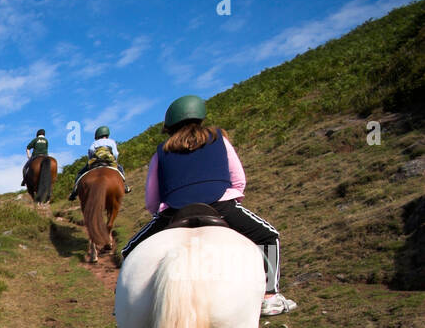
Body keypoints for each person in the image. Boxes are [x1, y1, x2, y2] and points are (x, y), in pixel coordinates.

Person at [121, 95, 295, 316]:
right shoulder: (219, 139)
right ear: (201, 117)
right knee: (269, 236)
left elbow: (152, 199)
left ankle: (125, 309)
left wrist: (161, 213)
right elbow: (239, 179)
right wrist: (230, 202)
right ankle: (270, 296)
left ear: (170, 126)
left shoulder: (161, 151)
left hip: (174, 212)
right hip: (220, 205)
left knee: (129, 251)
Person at [68, 125, 131, 200]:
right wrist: (115, 161)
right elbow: (115, 153)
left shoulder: (94, 143)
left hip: (95, 162)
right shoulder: (111, 141)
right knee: (121, 169)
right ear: (107, 134)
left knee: (80, 173)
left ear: (97, 135)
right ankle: (124, 185)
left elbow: (90, 153)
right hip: (109, 161)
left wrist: (90, 162)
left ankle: (74, 191)